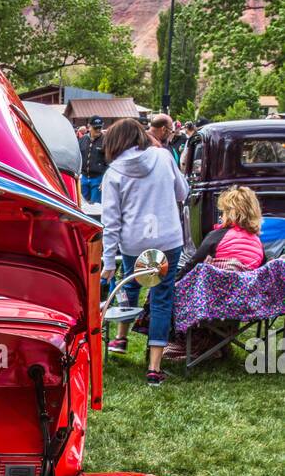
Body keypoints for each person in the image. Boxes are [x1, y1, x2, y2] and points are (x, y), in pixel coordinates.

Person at [101, 116, 189, 385]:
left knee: (131, 286)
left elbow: (110, 222)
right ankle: (154, 367)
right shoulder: (163, 157)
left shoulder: (114, 172)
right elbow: (182, 192)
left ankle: (121, 336)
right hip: (167, 239)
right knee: (162, 298)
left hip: (133, 242)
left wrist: (107, 261)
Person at [177, 186, 265, 278]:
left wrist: (175, 282)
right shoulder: (258, 243)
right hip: (247, 291)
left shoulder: (217, 236)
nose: (221, 216)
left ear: (229, 213)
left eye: (223, 211)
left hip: (216, 290)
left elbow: (192, 264)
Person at [79, 116, 107, 203]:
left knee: (95, 206)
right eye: (96, 128)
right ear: (89, 127)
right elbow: (78, 157)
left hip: (98, 179)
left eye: (100, 127)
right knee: (82, 205)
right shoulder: (83, 139)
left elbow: (110, 162)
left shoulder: (106, 140)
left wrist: (105, 179)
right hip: (83, 177)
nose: (98, 130)